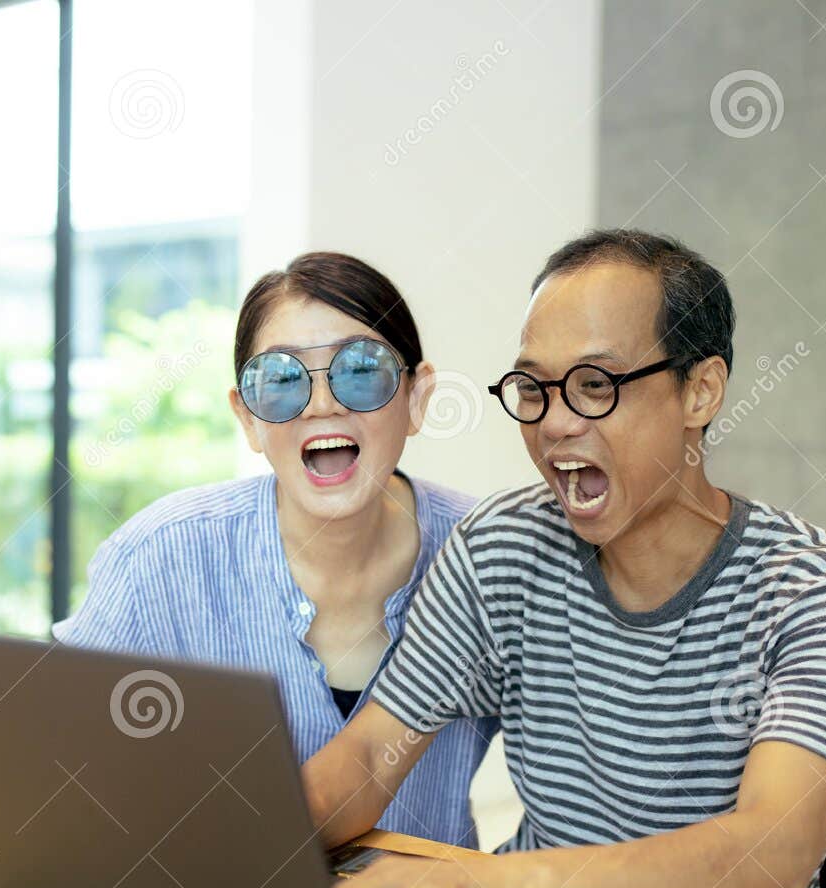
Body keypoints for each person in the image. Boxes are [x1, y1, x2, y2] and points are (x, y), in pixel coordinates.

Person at [302, 229, 826, 888]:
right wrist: (233, 851)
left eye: (595, 385)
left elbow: (769, 858)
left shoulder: (815, 589)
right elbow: (368, 756)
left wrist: (511, 887)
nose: (553, 424)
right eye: (534, 388)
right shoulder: (502, 548)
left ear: (701, 390)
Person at [54, 252, 496, 846]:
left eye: (361, 369)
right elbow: (53, 765)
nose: (321, 405)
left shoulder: (491, 557)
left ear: (417, 398)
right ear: (248, 419)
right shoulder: (160, 556)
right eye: (283, 380)